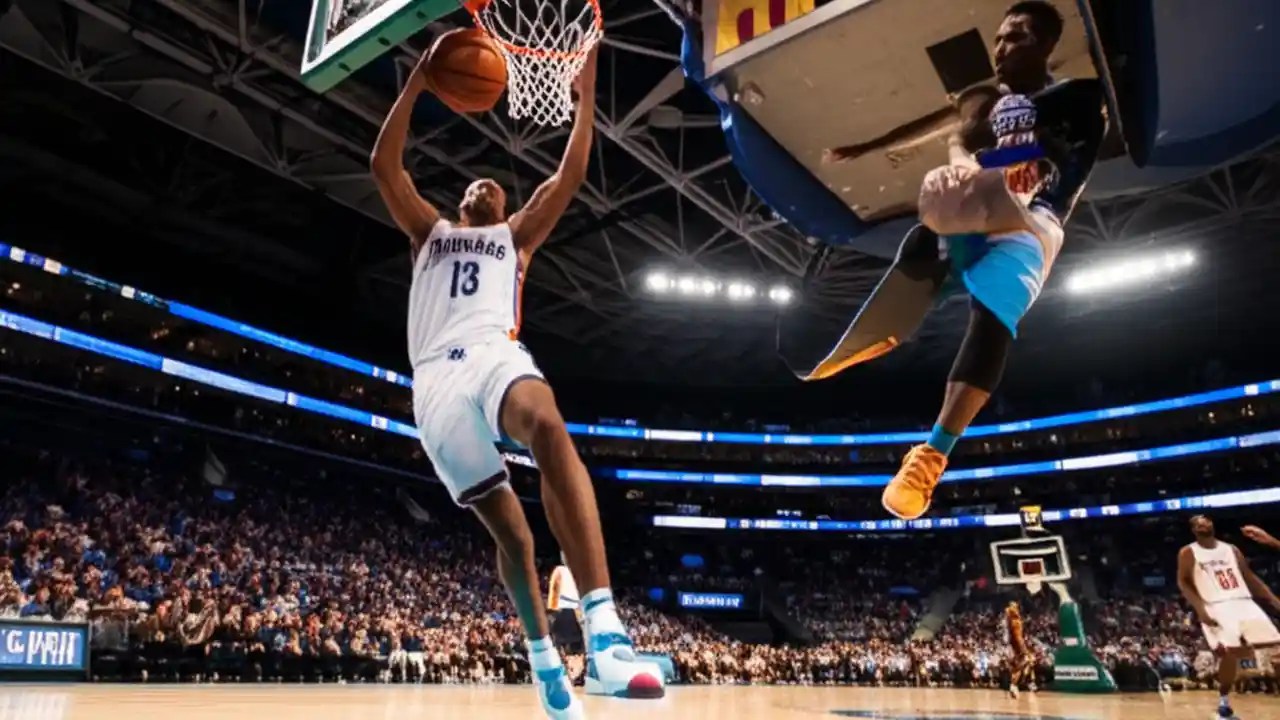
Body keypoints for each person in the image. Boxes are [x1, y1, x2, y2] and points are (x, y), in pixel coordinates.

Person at [369, 40, 663, 720]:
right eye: (473, 183)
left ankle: (605, 632)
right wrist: (417, 80)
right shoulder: (429, 232)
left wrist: (587, 99)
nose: (481, 184)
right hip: (435, 385)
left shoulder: (518, 239)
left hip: (493, 351)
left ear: (505, 207)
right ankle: (540, 656)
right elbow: (384, 166)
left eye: (493, 185)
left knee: (548, 423)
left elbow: (570, 172)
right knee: (514, 539)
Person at [833, 1, 1107, 520]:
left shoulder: (1078, 96)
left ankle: (932, 455)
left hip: (1038, 217)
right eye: (1000, 39)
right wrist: (873, 145)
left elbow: (1057, 141)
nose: (1003, 48)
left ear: (1047, 44)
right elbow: (944, 123)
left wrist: (991, 150)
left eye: (1018, 38)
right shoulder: (986, 100)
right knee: (955, 165)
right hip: (988, 195)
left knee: (994, 314)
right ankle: (941, 246)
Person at [1177, 515, 1280, 719]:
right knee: (1229, 654)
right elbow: (1184, 583)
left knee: (1277, 649)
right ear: (1192, 530)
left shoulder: (1231, 549)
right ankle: (1224, 704)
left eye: (1205, 520)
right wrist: (1200, 609)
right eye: (1197, 522)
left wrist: (1273, 599)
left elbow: (1249, 577)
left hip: (1244, 601)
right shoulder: (1189, 552)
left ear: (1213, 524)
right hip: (1216, 605)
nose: (1202, 523)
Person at [1003, 601, 1035, 699]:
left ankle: (1015, 685)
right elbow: (1018, 637)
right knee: (1027, 661)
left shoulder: (1008, 621)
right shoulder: (1015, 622)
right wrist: (1023, 649)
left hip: (1010, 645)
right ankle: (1021, 684)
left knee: (1017, 668)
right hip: (1017, 646)